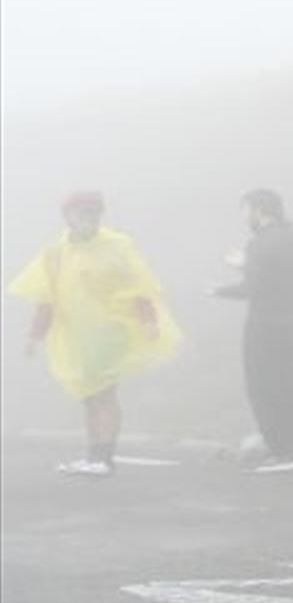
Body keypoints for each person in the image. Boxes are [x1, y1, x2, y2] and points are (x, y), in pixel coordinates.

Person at [9, 191, 182, 476]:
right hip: (75, 337)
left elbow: (140, 285)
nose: (89, 218)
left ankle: (103, 457)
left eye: (94, 213)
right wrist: (35, 335)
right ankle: (94, 455)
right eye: (82, 213)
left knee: (104, 393)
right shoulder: (55, 254)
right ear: (68, 217)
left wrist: (148, 320)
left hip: (109, 331)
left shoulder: (118, 246)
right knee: (89, 396)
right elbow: (46, 298)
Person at [214, 189, 293, 472]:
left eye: (246, 211)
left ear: (259, 210)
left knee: (263, 386)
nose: (245, 217)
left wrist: (222, 286)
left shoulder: (259, 244)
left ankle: (281, 449)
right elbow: (282, 279)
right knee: (289, 383)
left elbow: (255, 288)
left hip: (266, 324)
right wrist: (248, 266)